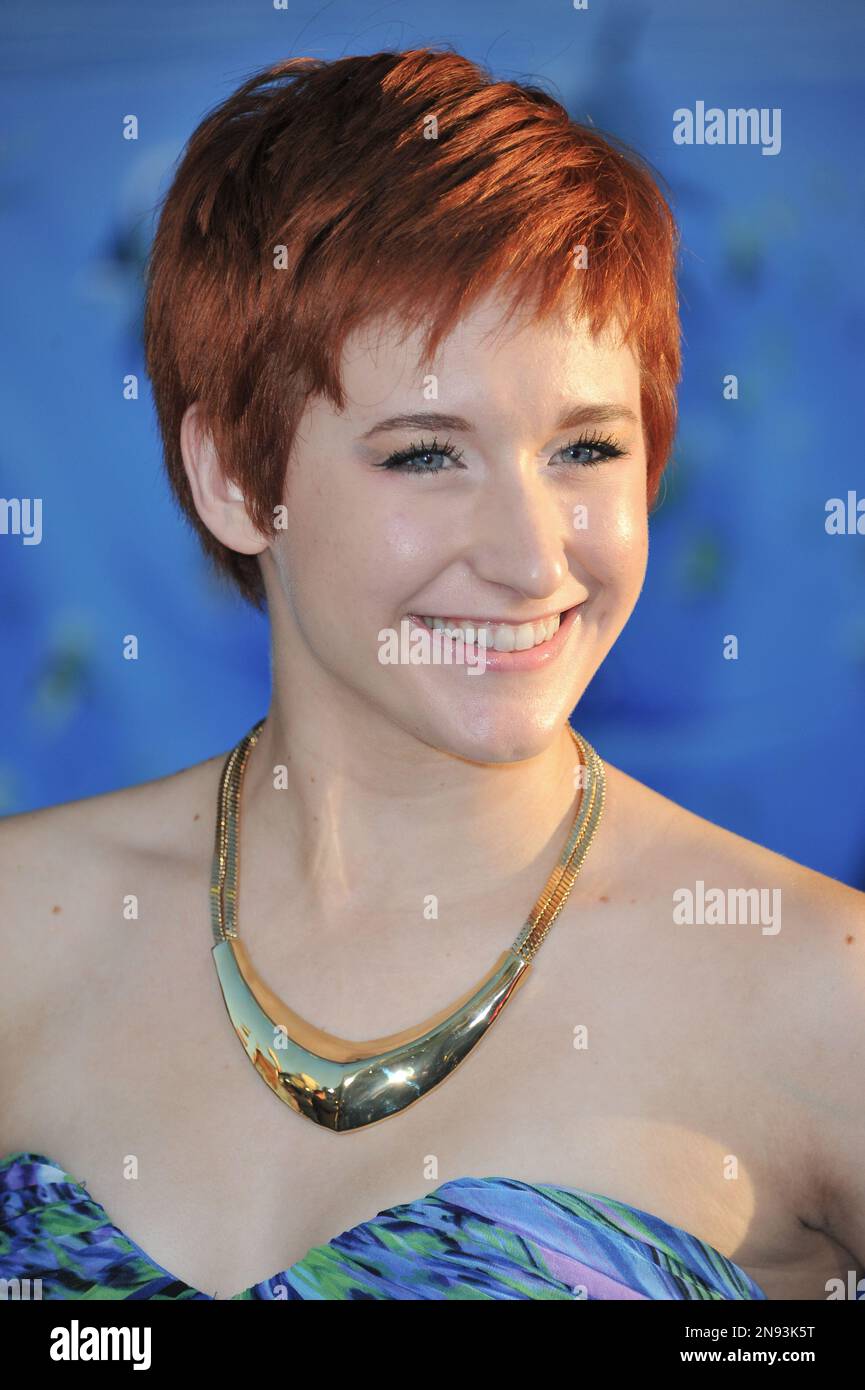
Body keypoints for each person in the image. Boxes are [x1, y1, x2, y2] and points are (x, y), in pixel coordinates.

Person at [1, 47, 862, 1303]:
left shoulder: (822, 992)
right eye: (423, 455)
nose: (530, 555)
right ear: (235, 480)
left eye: (583, 447)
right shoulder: (23, 927)